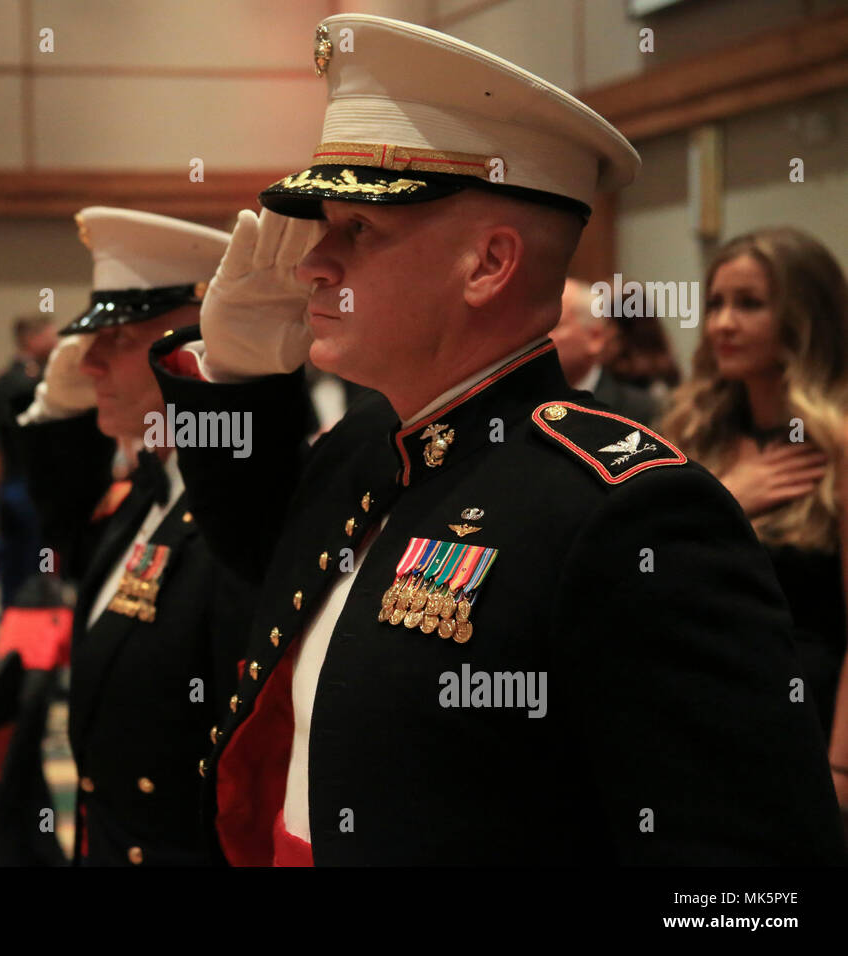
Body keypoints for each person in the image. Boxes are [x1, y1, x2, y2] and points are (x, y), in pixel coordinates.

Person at [147, 14, 845, 865]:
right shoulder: (368, 447)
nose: (311, 264)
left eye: (356, 230)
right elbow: (255, 556)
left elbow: (758, 879)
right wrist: (241, 379)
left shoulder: (628, 514)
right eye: (322, 226)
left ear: (488, 265)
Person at [16, 207, 255, 865]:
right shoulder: (148, 489)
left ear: (196, 344)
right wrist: (56, 412)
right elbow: (57, 523)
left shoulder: (233, 521)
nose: (86, 364)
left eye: (116, 341)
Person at [658, 228, 847, 745]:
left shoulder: (837, 446)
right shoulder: (690, 433)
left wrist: (840, 765)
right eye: (715, 304)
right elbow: (642, 578)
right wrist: (726, 500)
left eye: (749, 304)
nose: (722, 324)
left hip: (805, 717)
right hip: (696, 709)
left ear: (804, 319)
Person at [0, 316, 56, 607]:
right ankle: (29, 628)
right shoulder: (24, 382)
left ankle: (16, 621)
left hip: (15, 482)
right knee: (31, 560)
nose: (56, 341)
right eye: (50, 335)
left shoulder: (4, 378)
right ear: (32, 339)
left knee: (20, 558)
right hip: (28, 482)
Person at [550, 278, 659, 422]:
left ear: (595, 337)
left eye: (555, 325)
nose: (543, 337)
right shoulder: (519, 403)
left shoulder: (643, 411)